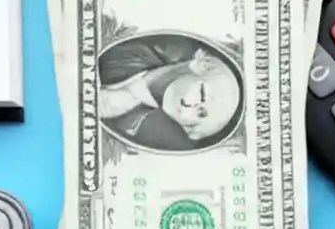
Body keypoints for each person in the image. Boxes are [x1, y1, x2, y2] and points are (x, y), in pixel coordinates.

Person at [98, 35, 242, 151]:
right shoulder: (145, 48)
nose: (192, 105)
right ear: (201, 65)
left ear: (189, 130)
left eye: (201, 113)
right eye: (201, 93)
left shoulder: (136, 130)